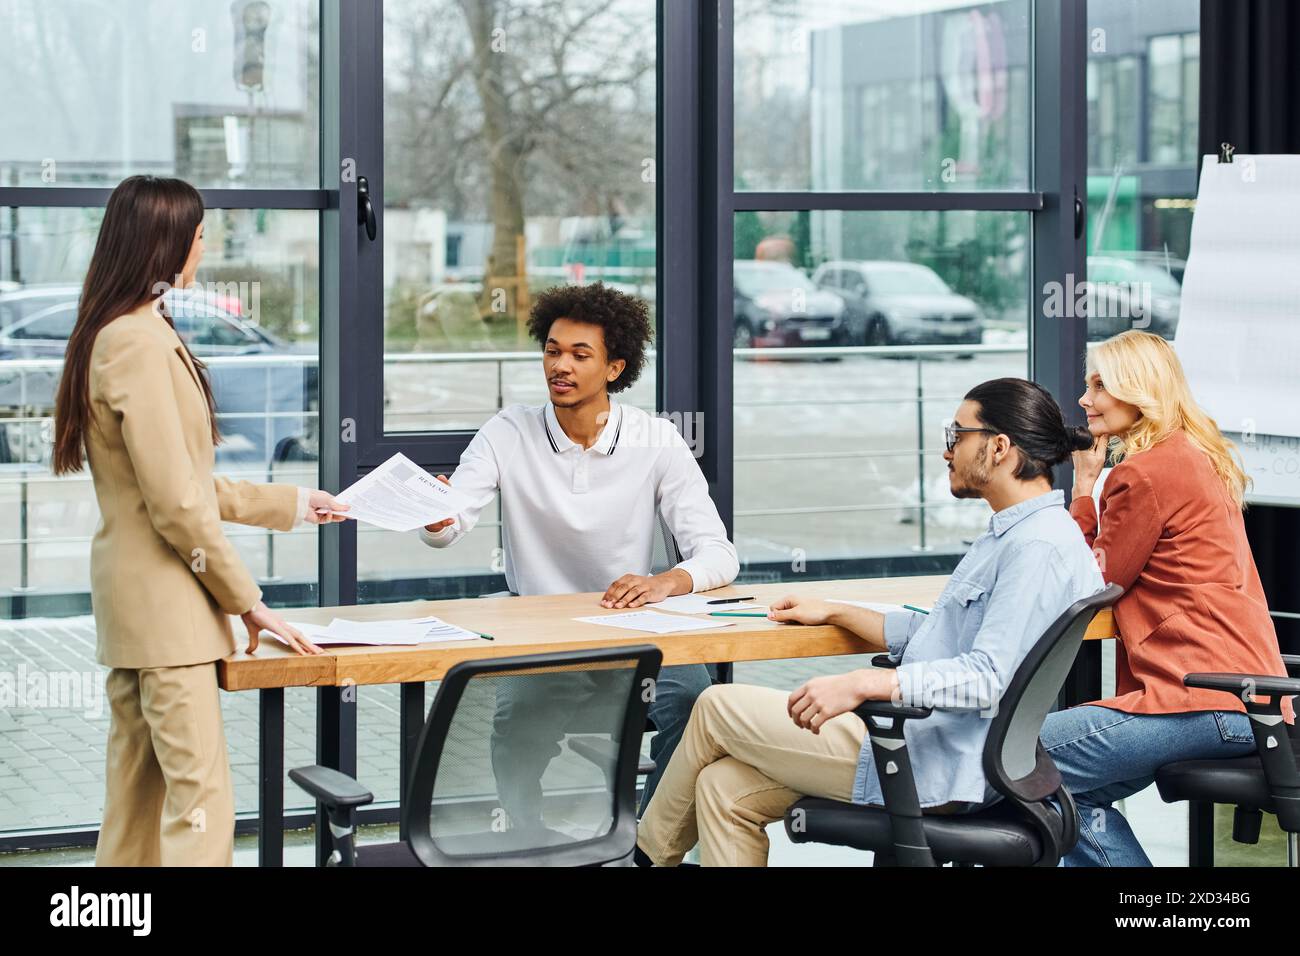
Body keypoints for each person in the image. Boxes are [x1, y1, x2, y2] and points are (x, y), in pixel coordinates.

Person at [635, 378, 1103, 866]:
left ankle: (644, 859)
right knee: (723, 787)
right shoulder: (1020, 533)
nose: (946, 453)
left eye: (956, 436)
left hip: (930, 757)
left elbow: (987, 677)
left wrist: (867, 682)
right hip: (931, 743)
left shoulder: (1035, 549)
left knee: (714, 705)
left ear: (999, 447)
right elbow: (943, 636)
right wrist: (838, 610)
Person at [52, 175, 349, 866]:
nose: (204, 247)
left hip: (138, 614)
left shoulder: (122, 329)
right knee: (201, 804)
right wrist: (248, 602)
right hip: (166, 616)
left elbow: (178, 481)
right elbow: (177, 505)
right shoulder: (139, 341)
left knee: (135, 802)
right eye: (200, 233)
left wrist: (289, 504)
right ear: (168, 243)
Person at [419, 282, 738, 826]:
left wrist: (668, 581)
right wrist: (436, 518)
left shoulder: (656, 440)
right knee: (515, 724)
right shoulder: (507, 432)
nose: (559, 366)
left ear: (615, 367)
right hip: (544, 634)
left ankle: (650, 841)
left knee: (696, 705)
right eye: (552, 350)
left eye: (578, 354)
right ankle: (530, 839)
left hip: (636, 627)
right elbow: (450, 522)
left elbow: (719, 554)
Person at [1039, 330, 1294, 866]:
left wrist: (1084, 490)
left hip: (1202, 698)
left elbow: (1091, 582)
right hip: (1247, 700)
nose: (1085, 399)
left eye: (1100, 385)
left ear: (1141, 389)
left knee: (1018, 757)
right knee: (1068, 796)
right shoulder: (1195, 455)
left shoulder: (1144, 473)